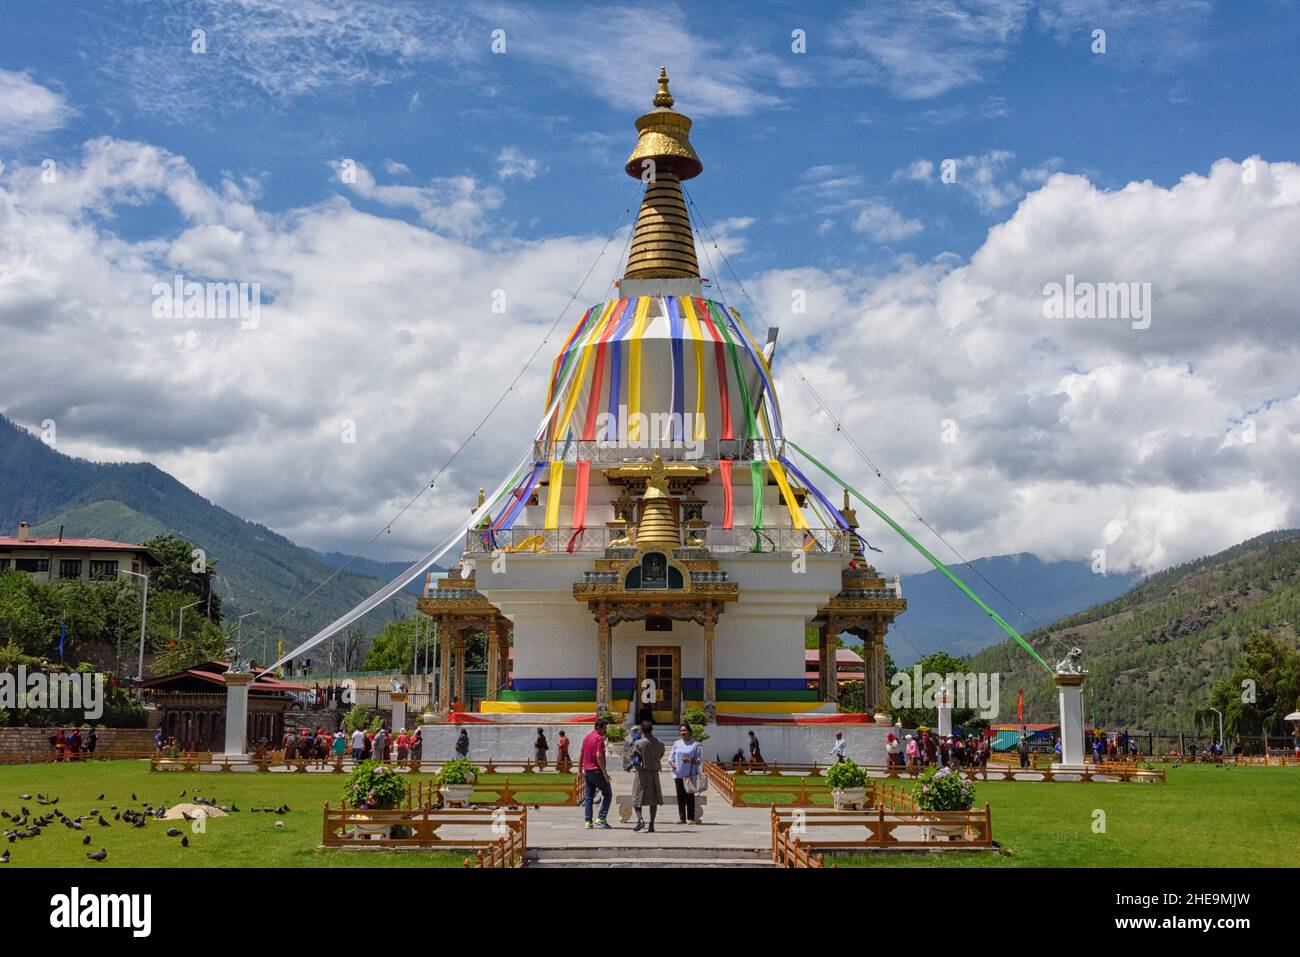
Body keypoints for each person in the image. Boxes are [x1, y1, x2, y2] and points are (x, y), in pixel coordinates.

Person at [630, 721, 665, 833]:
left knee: (636, 798)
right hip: (654, 774)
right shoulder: (660, 743)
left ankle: (640, 819)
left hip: (642, 774)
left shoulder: (639, 743)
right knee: (653, 801)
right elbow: (660, 755)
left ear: (641, 730)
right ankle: (651, 824)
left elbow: (633, 757)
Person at [580, 718, 612, 829]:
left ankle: (588, 821)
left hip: (587, 771)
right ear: (598, 728)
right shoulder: (599, 738)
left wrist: (580, 770)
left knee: (589, 797)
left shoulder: (586, 738)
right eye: (604, 728)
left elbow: (581, 754)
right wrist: (605, 774)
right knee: (607, 794)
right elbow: (599, 755)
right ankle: (601, 818)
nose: (605, 730)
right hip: (597, 771)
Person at [668, 723, 703, 824]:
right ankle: (682, 818)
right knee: (680, 796)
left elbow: (699, 760)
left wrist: (689, 760)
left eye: (685, 730)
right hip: (678, 774)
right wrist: (672, 764)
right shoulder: (677, 743)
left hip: (690, 774)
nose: (683, 732)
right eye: (681, 731)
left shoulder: (695, 744)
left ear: (689, 732)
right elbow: (671, 757)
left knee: (690, 796)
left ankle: (690, 818)